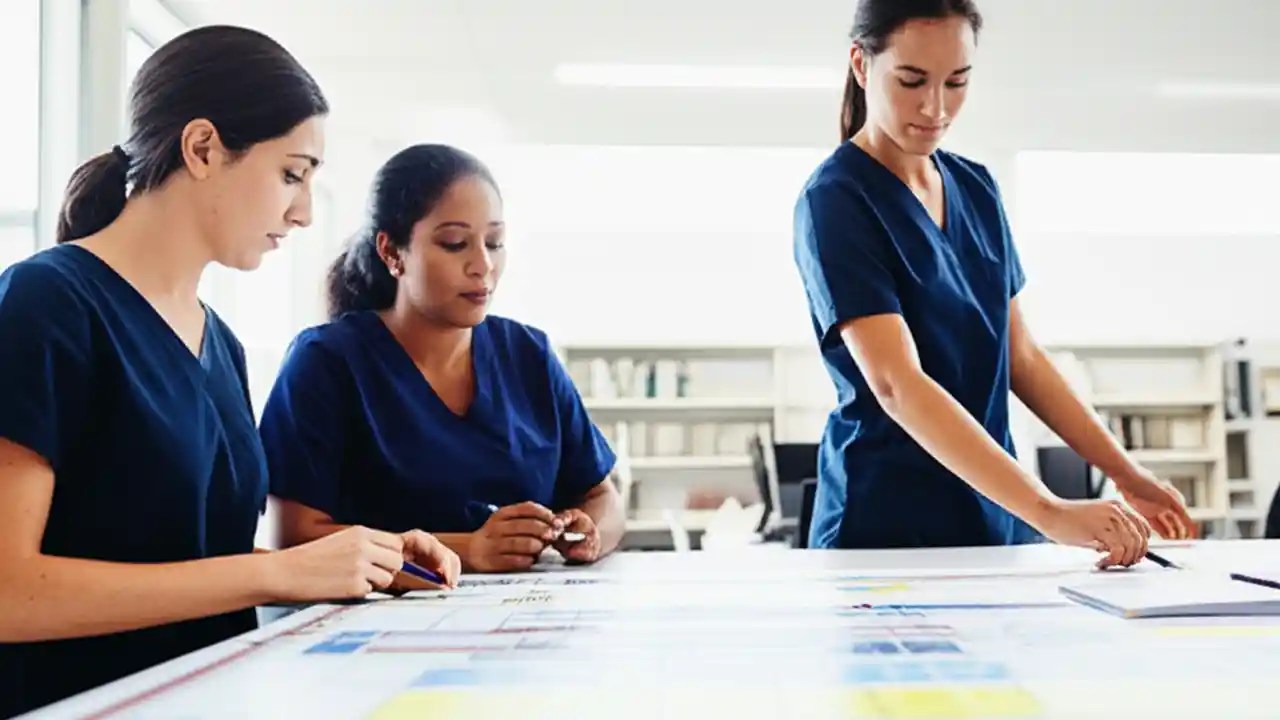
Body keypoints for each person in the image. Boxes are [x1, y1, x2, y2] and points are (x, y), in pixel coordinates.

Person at [0, 27, 460, 718]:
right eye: (291, 173)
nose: (304, 212)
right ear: (204, 148)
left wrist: (360, 558)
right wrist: (274, 571)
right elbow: (10, 592)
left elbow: (189, 561)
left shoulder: (222, 343)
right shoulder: (46, 303)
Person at [792, 0, 1195, 564]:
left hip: (992, 517)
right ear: (862, 65)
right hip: (883, 530)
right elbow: (896, 385)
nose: (936, 108)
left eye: (957, 82)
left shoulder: (977, 189)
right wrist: (1051, 510)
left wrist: (1127, 475)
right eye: (912, 81)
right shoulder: (836, 199)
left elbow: (1022, 358)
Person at [260, 144, 624, 573]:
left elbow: (603, 498)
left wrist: (589, 531)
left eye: (494, 242)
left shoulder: (529, 355)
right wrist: (467, 549)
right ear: (392, 253)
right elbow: (295, 535)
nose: (482, 265)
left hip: (520, 620)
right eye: (455, 244)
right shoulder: (326, 362)